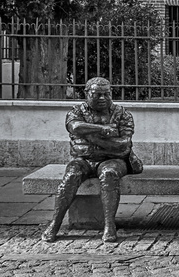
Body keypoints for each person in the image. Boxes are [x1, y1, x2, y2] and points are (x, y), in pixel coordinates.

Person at [42, 76, 138, 243]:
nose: (102, 98)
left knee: (109, 174)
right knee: (71, 176)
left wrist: (92, 138)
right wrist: (103, 130)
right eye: (96, 94)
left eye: (106, 94)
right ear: (86, 94)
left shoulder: (123, 114)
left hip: (113, 159)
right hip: (83, 159)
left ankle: (109, 225)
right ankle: (55, 223)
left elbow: (123, 145)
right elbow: (75, 126)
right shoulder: (76, 112)